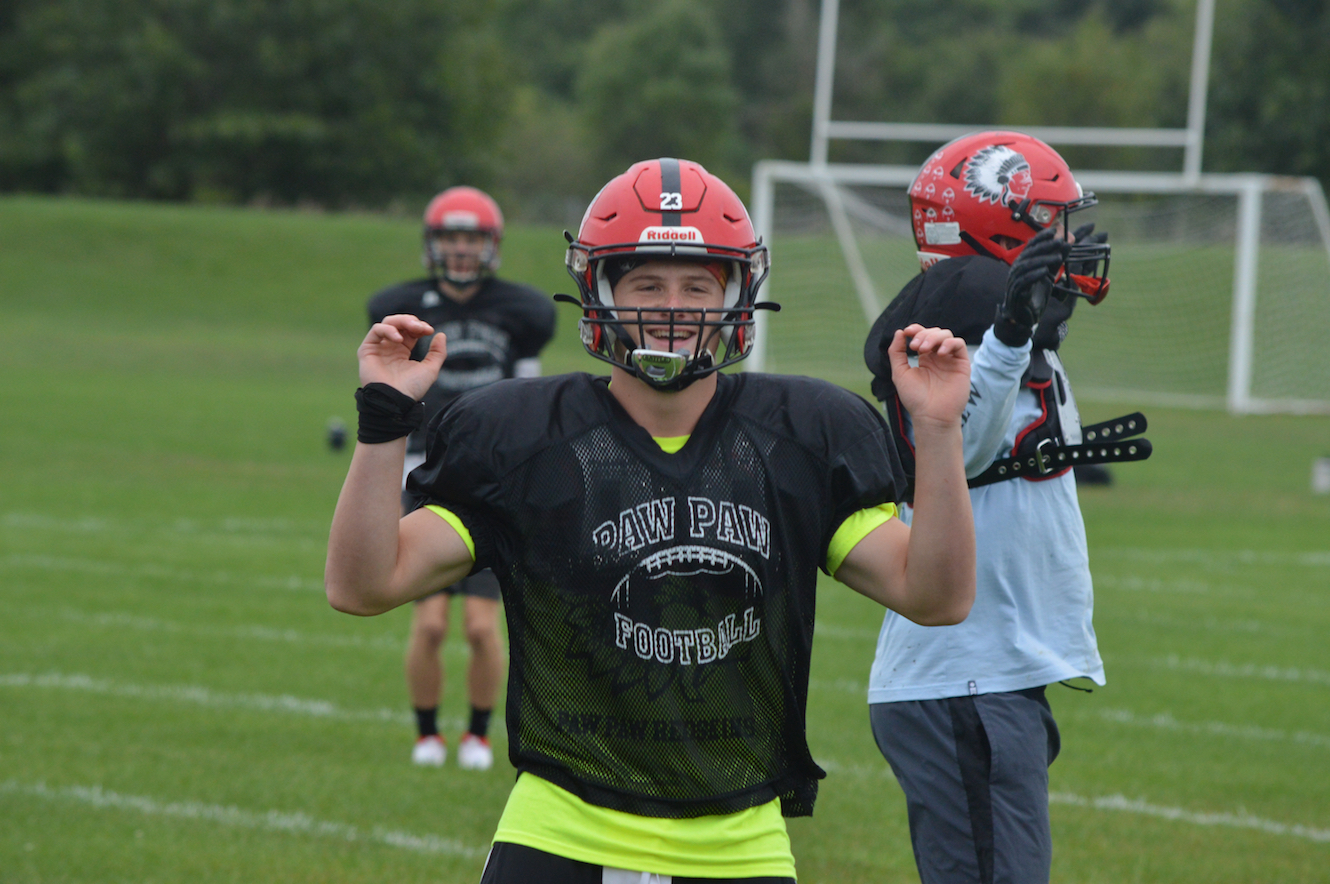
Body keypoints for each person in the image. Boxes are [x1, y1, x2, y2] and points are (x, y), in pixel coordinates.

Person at [327, 157, 976, 882]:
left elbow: (937, 596)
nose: (674, 307)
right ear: (599, 292)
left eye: (698, 285)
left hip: (741, 848)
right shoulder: (526, 435)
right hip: (559, 835)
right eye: (646, 284)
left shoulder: (798, 436)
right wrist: (385, 422)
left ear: (736, 296)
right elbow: (364, 585)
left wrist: (941, 432)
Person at [862, 131, 1147, 884]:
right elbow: (952, 446)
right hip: (965, 679)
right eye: (1045, 221)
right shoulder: (962, 320)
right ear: (996, 224)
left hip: (993, 677)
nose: (1063, 239)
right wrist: (1011, 330)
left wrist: (1022, 328)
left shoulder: (1017, 333)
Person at [366, 186, 556, 770]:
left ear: (491, 244)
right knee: (427, 624)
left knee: (480, 626)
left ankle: (477, 734)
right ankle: (427, 733)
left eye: (471, 237)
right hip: (423, 473)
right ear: (433, 243)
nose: (461, 248)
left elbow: (527, 393)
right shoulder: (404, 307)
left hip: (491, 479)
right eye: (451, 236)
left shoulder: (522, 312)